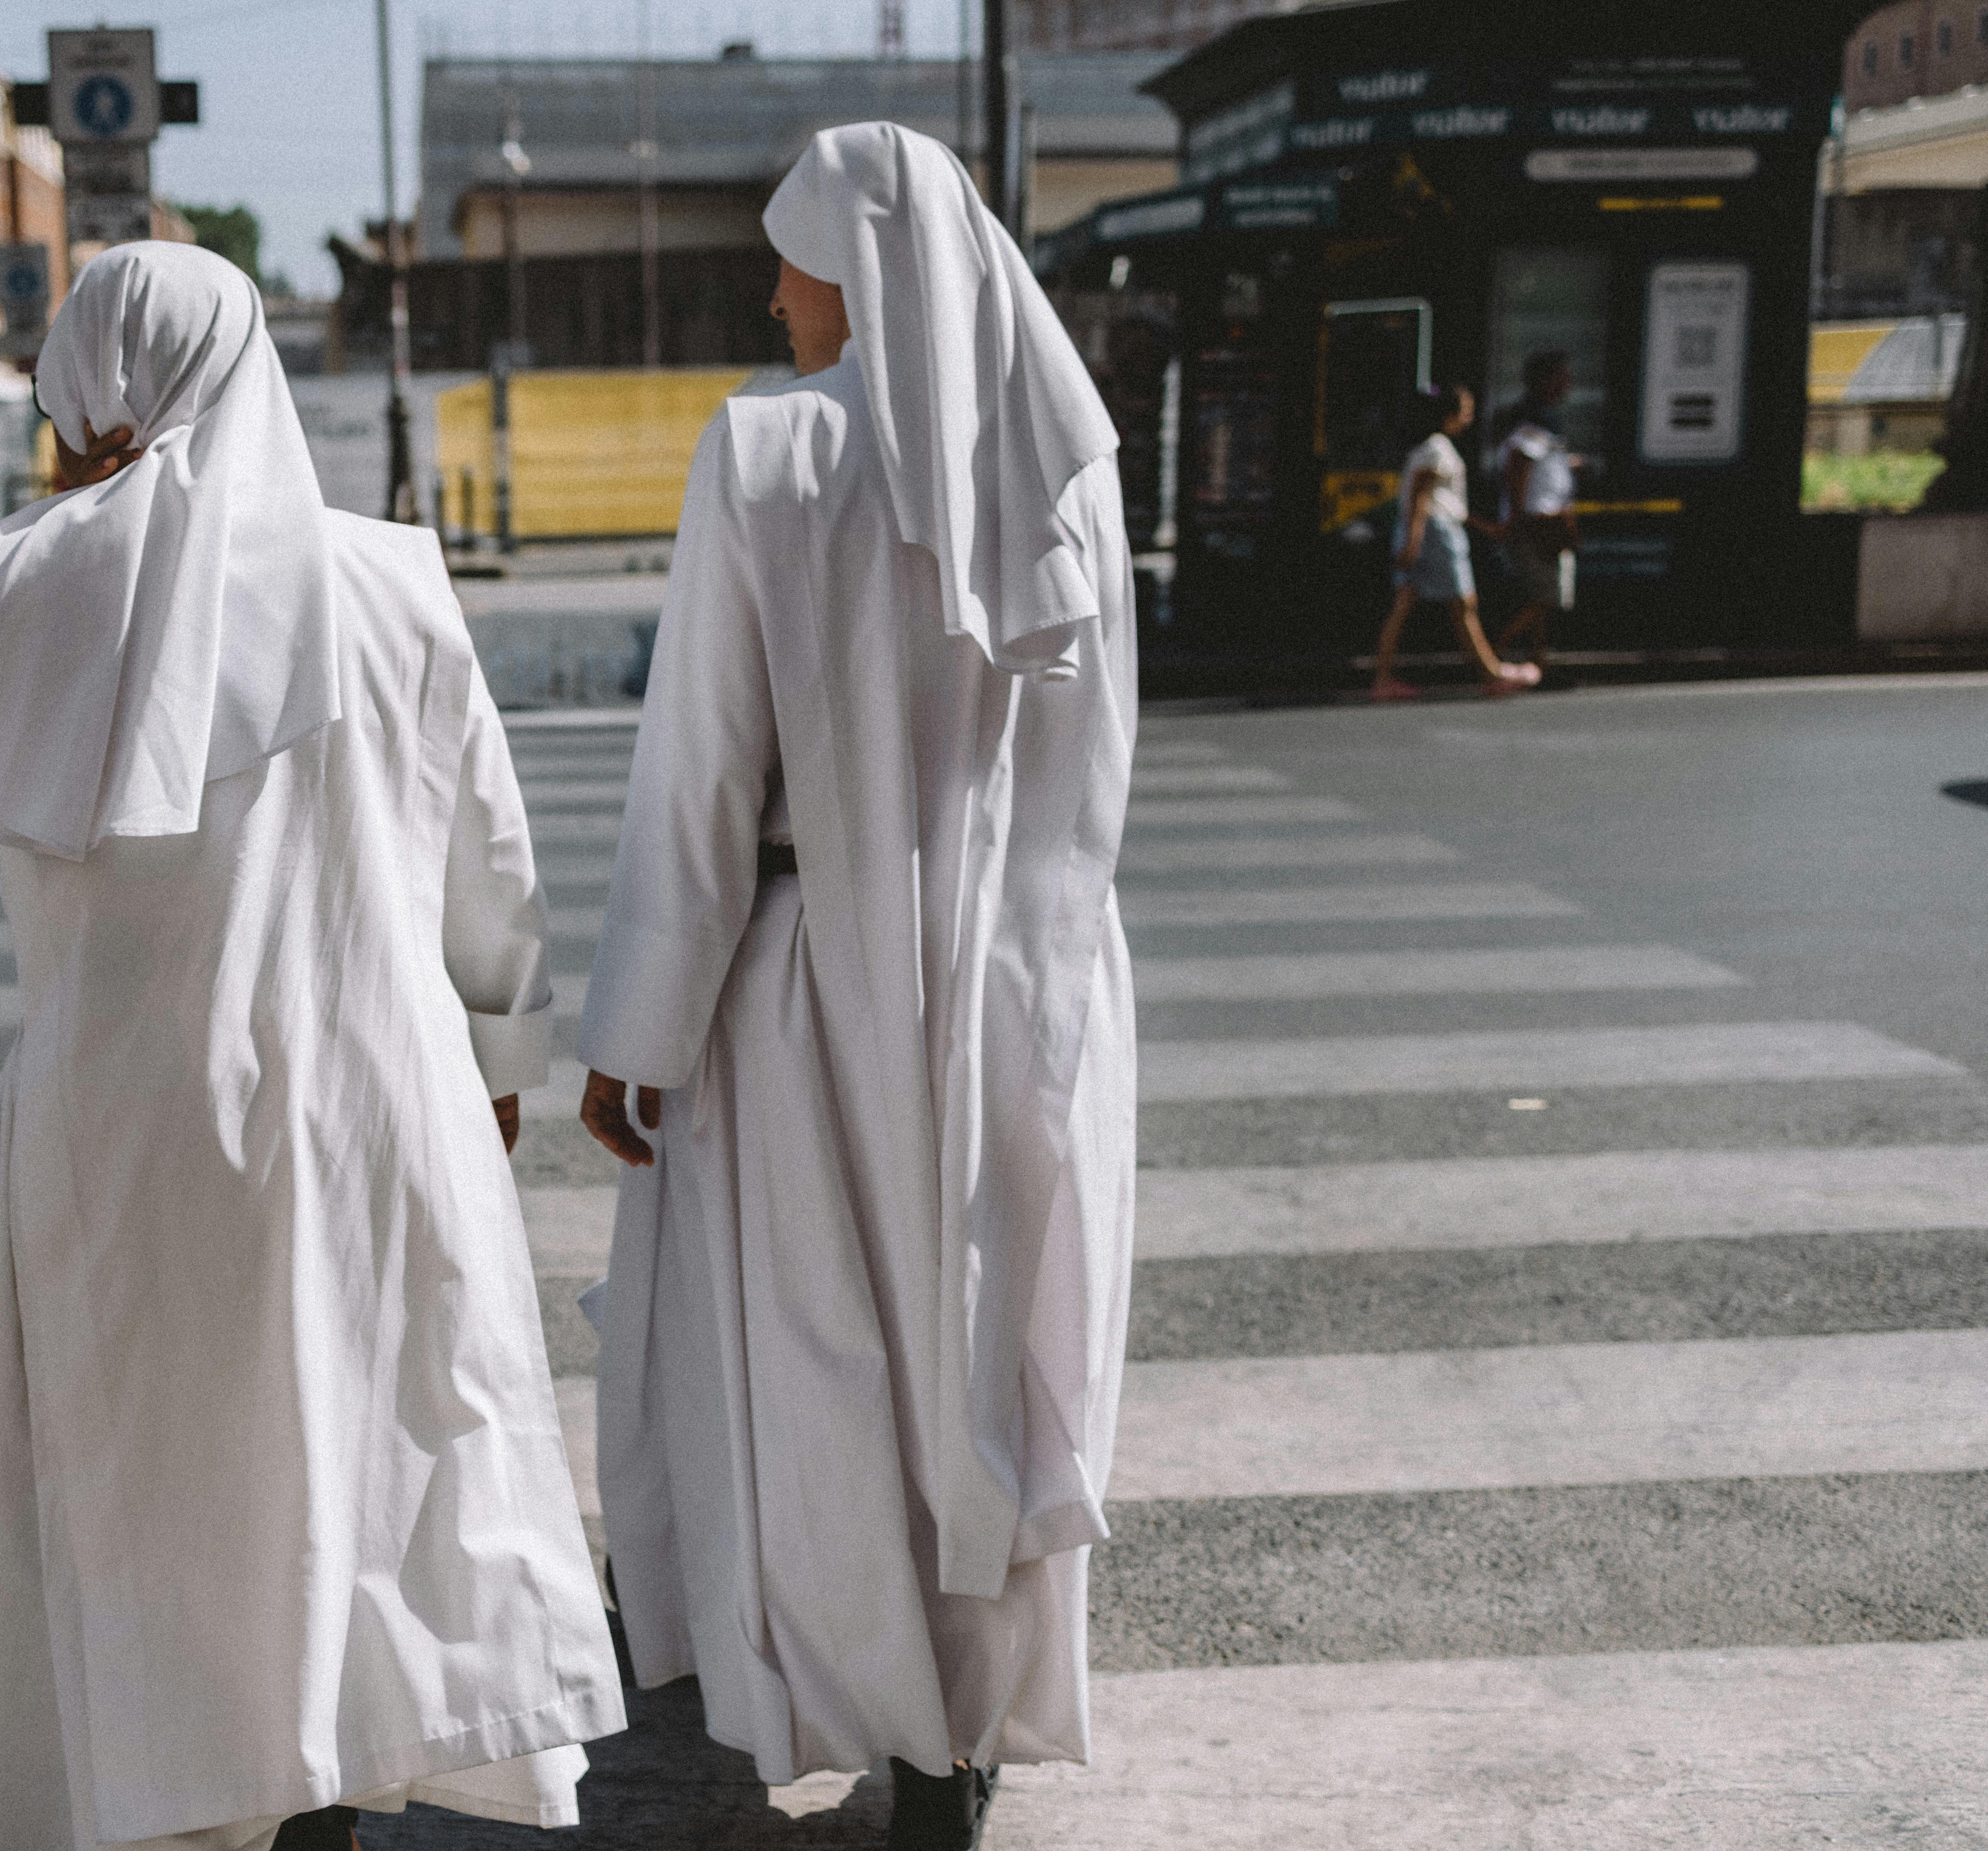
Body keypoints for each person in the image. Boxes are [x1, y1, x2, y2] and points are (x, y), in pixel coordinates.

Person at [0, 244, 624, 1851]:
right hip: (370, 1094)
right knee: (351, 1448)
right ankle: (316, 1786)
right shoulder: (388, 578)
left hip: (114, 1113)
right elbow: (487, 863)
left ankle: (157, 1782)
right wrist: (502, 1055)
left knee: (142, 1469)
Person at [573, 123, 1138, 1851]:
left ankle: (863, 1696)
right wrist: (1039, 954)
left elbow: (701, 777)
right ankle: (955, 1742)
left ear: (860, 267)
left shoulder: (766, 454)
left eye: (791, 258)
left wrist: (632, 1037)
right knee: (987, 1361)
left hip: (810, 988)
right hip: (1022, 982)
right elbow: (1098, 764)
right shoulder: (1071, 463)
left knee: (827, 1370)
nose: (774, 290)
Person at [1367, 383, 1536, 701]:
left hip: (1427, 530)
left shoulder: (1429, 448)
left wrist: (1484, 527)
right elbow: (1422, 498)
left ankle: (1383, 678)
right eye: (1466, 412)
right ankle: (1491, 673)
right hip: (1435, 535)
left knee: (1407, 605)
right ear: (1449, 416)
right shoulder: (1437, 449)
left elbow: (1444, 500)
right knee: (1463, 605)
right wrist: (1415, 543)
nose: (1469, 419)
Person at [1491, 350, 1579, 665]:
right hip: (1536, 521)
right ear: (1545, 381)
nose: (1569, 384)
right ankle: (1493, 651)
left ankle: (1537, 657)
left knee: (1538, 594)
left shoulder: (1539, 417)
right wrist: (1517, 518)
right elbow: (1519, 464)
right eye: (1562, 377)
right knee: (1549, 596)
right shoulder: (1537, 419)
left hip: (1541, 518)